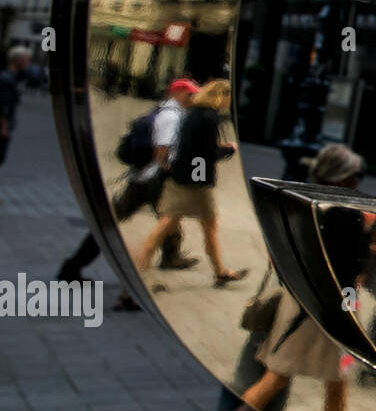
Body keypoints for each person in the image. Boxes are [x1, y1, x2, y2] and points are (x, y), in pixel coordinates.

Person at [204, 143, 376, 411]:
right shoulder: (346, 214)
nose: (359, 182)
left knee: (269, 386)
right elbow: (353, 275)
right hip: (328, 315)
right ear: (344, 178)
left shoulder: (302, 203)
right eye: (356, 175)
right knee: (332, 394)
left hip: (295, 304)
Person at [58, 78, 202, 305]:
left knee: (165, 217)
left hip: (145, 178)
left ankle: (170, 255)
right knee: (146, 218)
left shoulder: (165, 111)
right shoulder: (172, 116)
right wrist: (174, 172)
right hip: (153, 179)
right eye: (189, 94)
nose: (193, 99)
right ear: (178, 92)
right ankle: (72, 268)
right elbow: (162, 152)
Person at [133, 79, 247, 287]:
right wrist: (228, 149)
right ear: (222, 96)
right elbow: (206, 154)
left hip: (182, 176)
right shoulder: (210, 118)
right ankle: (140, 265)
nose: (228, 103)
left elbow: (195, 148)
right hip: (196, 182)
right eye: (228, 97)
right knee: (202, 225)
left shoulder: (193, 113)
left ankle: (219, 271)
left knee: (172, 222)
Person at [0, 45, 32, 167]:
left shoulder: (10, 77)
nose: (28, 63)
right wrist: (4, 127)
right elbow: (4, 105)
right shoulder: (7, 79)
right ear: (19, 60)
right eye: (27, 60)